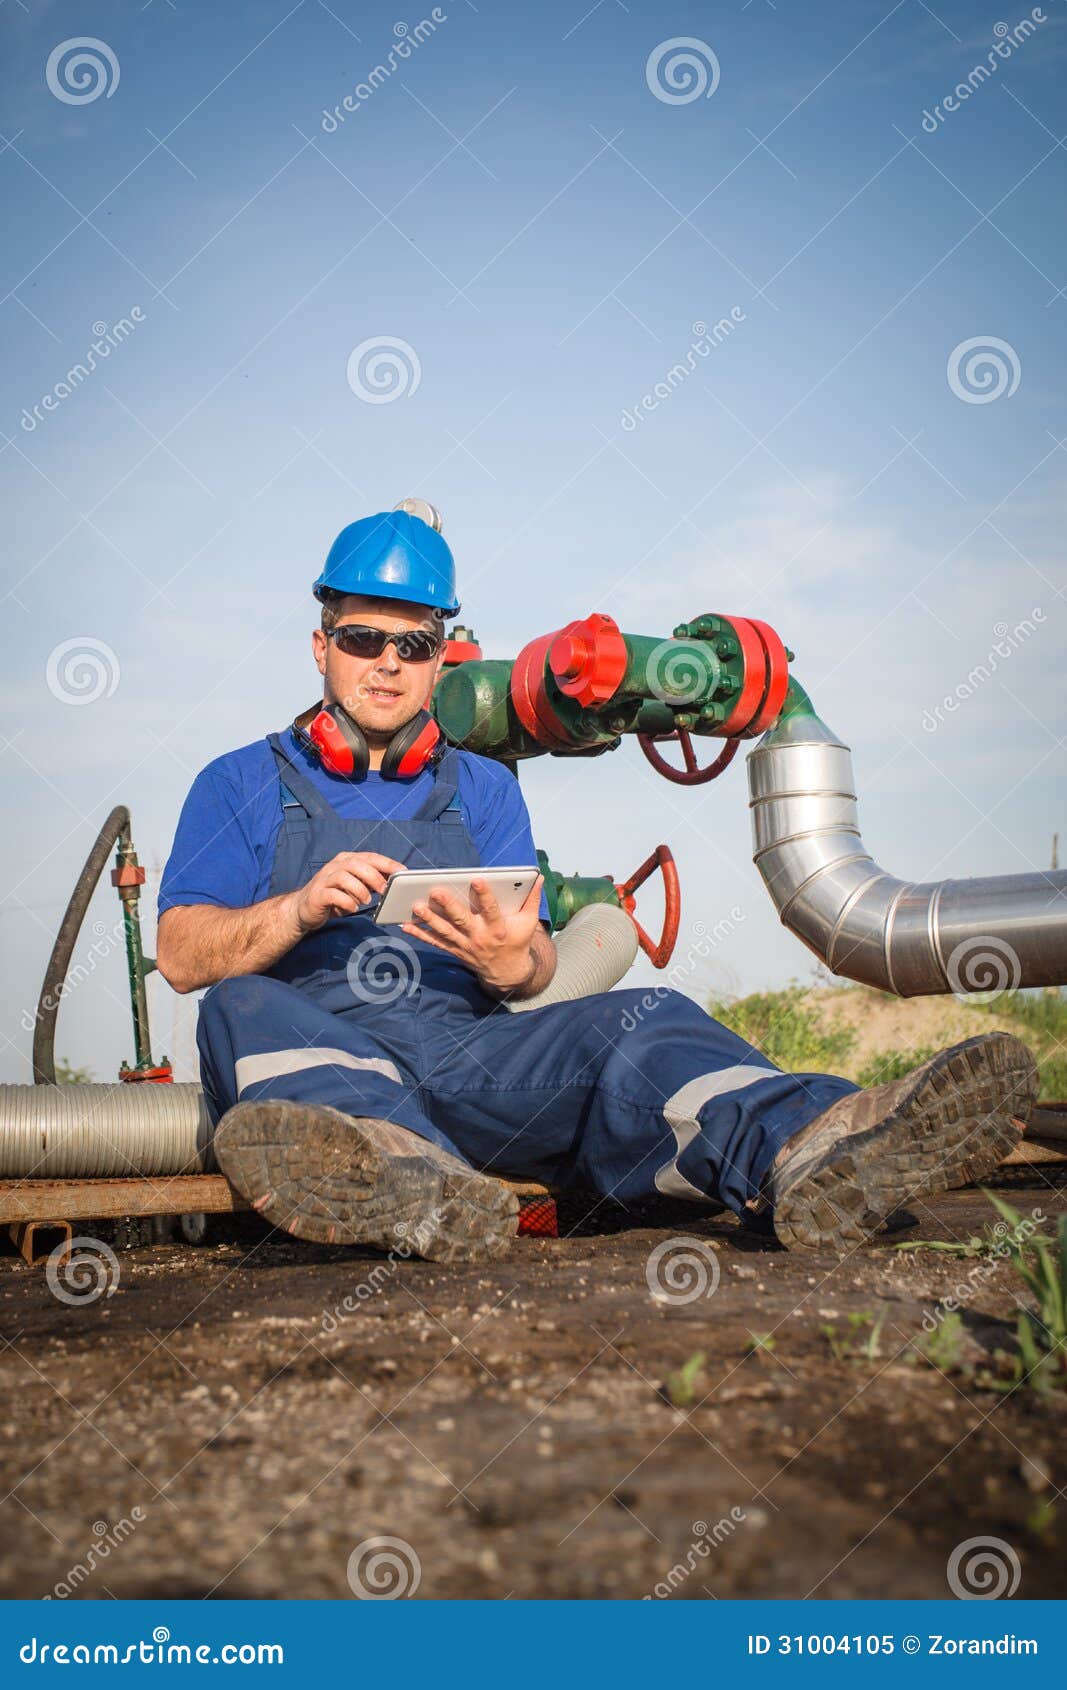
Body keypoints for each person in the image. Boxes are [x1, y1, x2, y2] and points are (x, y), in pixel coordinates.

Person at [157, 506, 1038, 1263]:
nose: (387, 662)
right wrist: (299, 906)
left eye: (413, 644)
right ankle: (400, 1182)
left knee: (645, 1015)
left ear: (440, 660)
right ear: (322, 646)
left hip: (467, 1057)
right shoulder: (240, 783)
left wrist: (516, 963)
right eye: (362, 638)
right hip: (328, 1057)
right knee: (237, 1004)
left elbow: (536, 964)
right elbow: (183, 954)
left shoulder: (483, 787)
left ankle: (815, 1148)